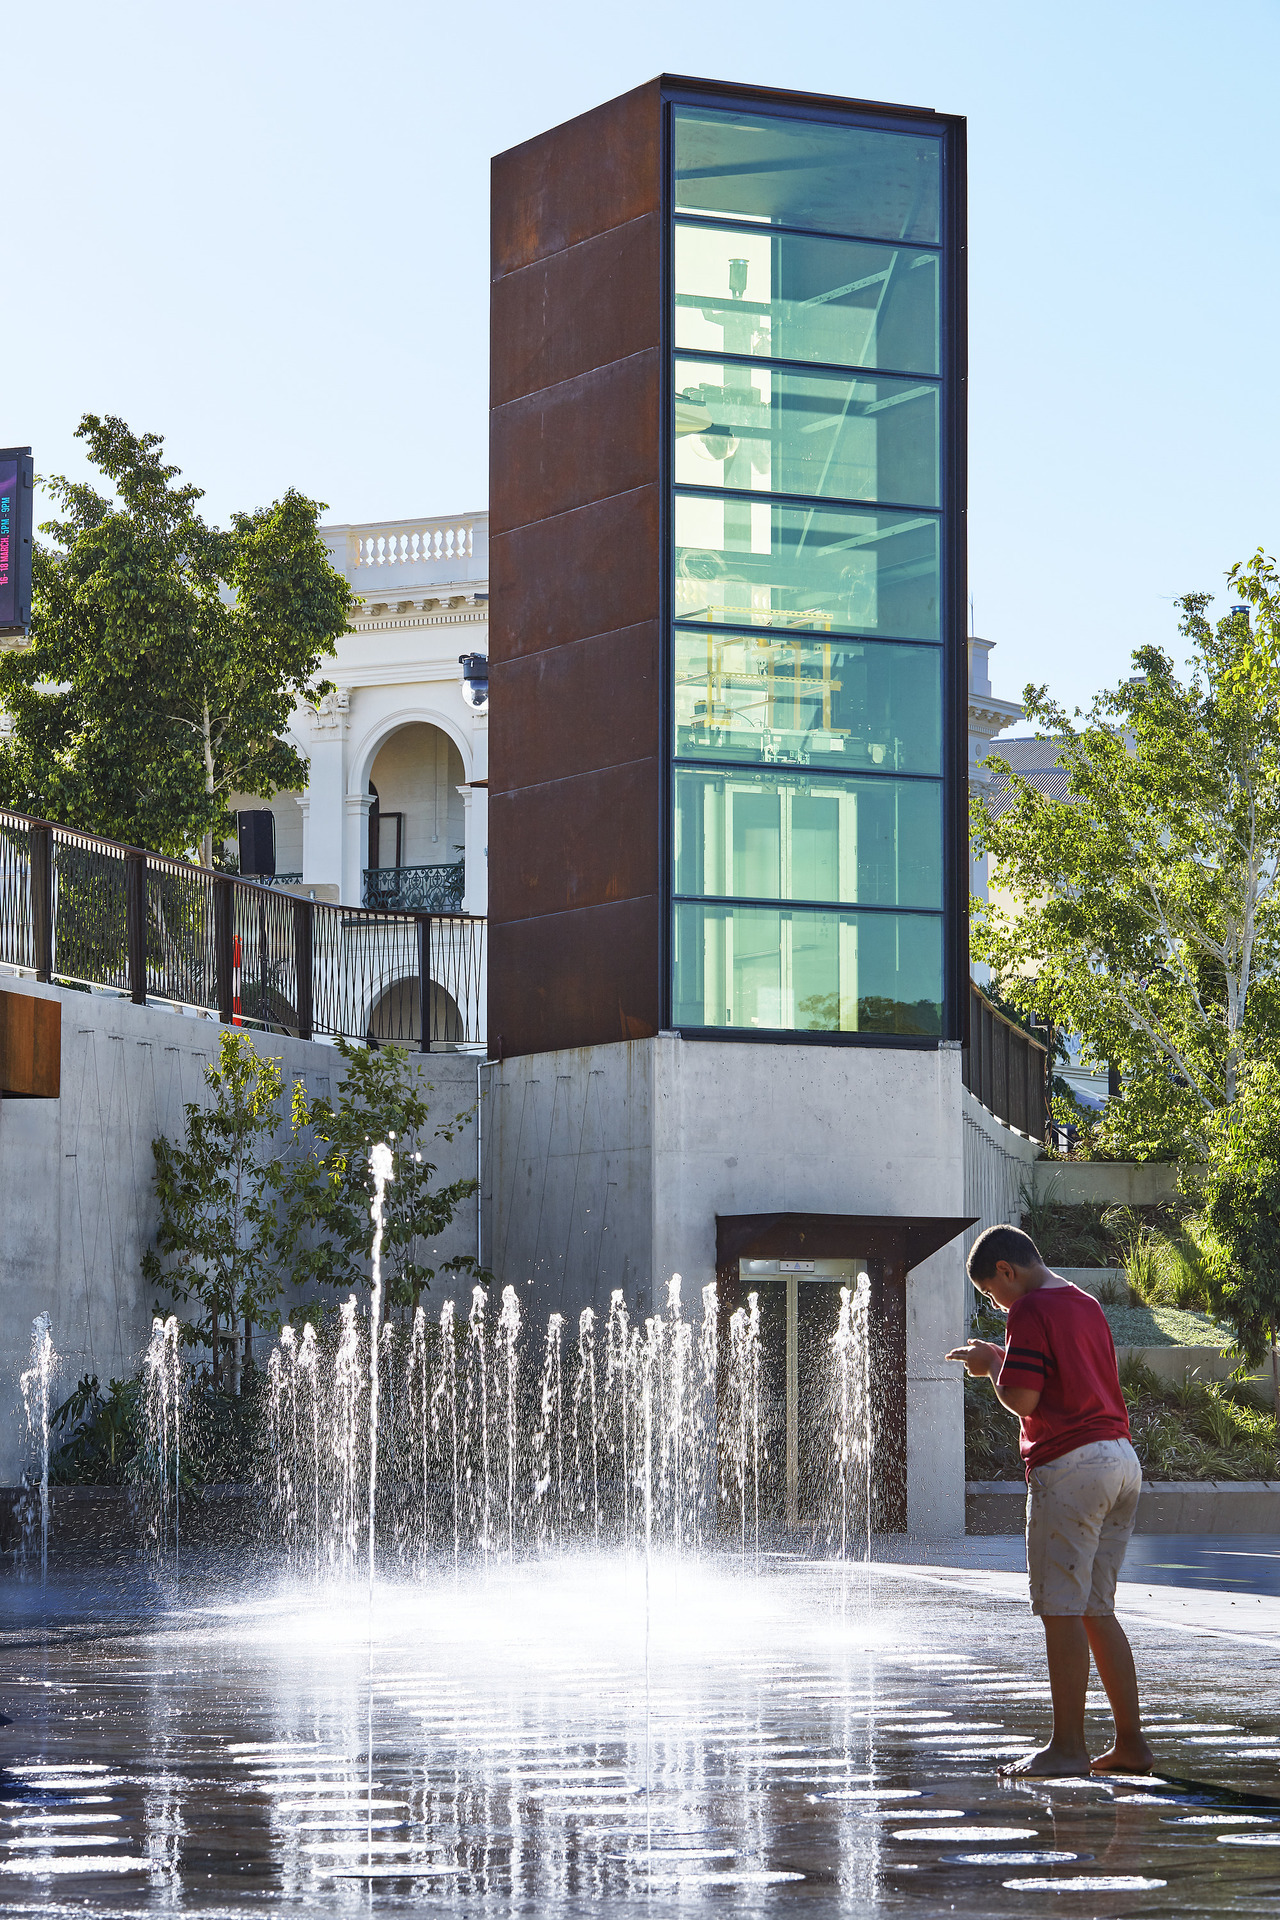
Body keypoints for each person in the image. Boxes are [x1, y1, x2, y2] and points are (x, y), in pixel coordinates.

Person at [946, 1223, 1154, 1779]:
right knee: (1095, 1608)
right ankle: (1131, 1745)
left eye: (993, 1292)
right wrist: (1003, 1352)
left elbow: (1024, 1396)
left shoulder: (1030, 1310)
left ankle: (1067, 1748)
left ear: (1008, 1272)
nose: (997, 1302)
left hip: (1071, 1465)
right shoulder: (1083, 1303)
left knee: (1060, 1607)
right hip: (1120, 1459)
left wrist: (991, 1365)